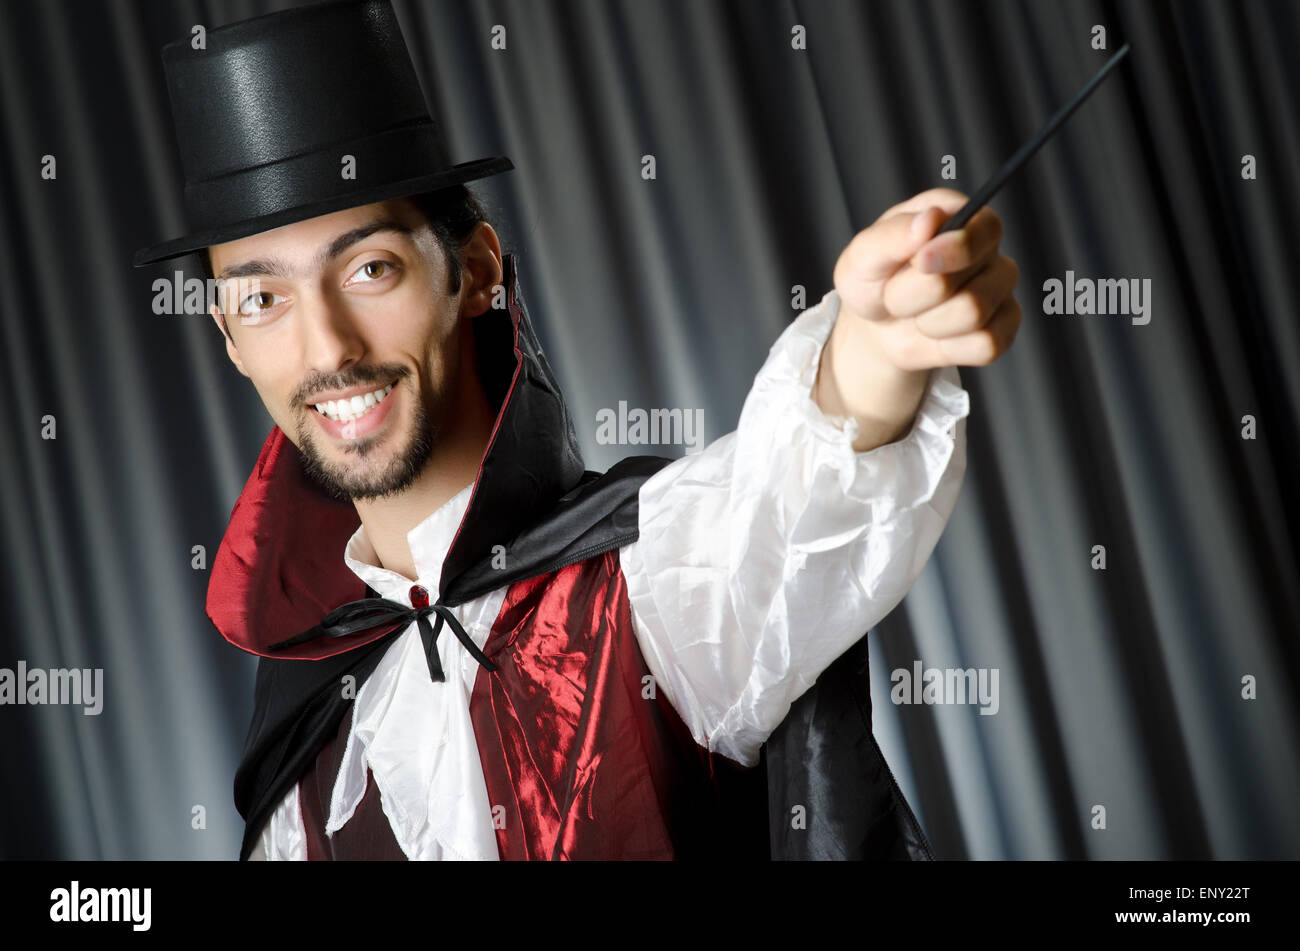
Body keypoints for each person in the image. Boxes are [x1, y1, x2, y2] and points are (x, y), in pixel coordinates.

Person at [133, 0, 1020, 860]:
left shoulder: (654, 586)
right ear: (230, 341)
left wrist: (880, 339)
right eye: (262, 298)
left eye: (370, 267)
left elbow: (800, 491)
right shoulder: (301, 776)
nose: (325, 345)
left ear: (475, 271)